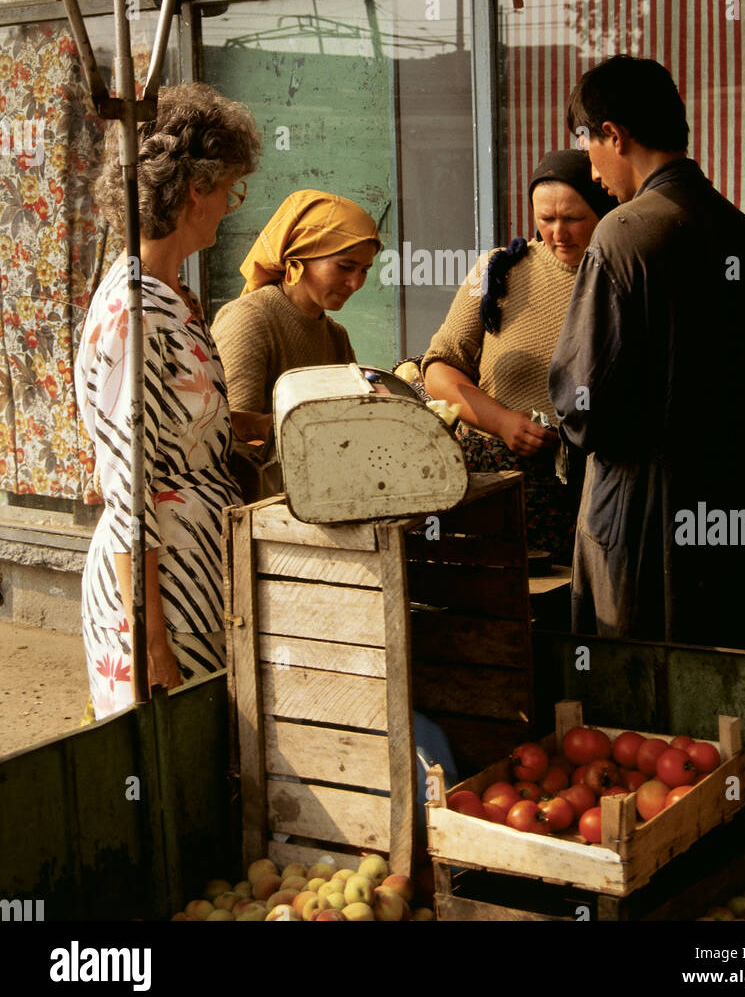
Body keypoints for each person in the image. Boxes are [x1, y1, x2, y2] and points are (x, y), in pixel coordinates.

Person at [548, 54, 745, 648]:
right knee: (719, 692)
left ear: (615, 134)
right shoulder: (742, 233)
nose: (593, 169)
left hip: (636, 515)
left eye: (590, 148)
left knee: (636, 710)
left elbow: (581, 400)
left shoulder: (625, 233)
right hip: (725, 504)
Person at [75, 81, 262, 719]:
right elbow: (129, 485)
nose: (230, 206)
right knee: (169, 776)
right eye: (229, 189)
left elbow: (181, 425)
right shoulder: (138, 311)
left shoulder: (172, 296)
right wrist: (149, 642)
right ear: (194, 191)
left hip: (197, 581)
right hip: (159, 600)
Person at [422, 150, 616, 564]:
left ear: (603, 212)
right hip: (493, 480)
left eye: (574, 219)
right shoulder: (499, 271)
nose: (558, 233)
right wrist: (503, 421)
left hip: (589, 487)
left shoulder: (619, 279)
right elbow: (439, 370)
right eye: (546, 220)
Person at [211, 190, 381, 419]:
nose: (355, 283)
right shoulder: (249, 321)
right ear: (298, 258)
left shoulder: (336, 337)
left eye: (364, 271)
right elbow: (236, 433)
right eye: (344, 266)